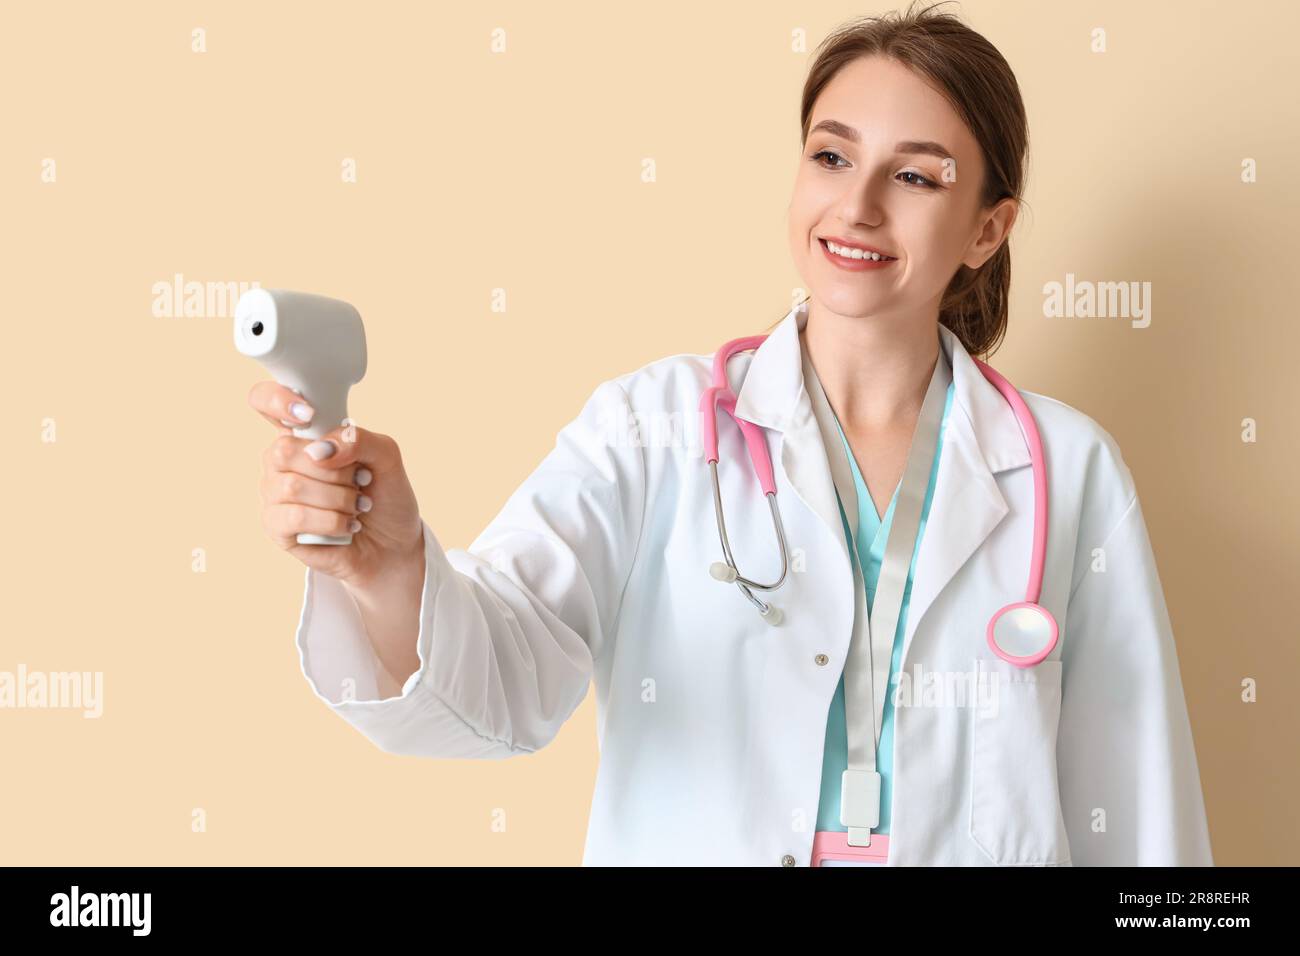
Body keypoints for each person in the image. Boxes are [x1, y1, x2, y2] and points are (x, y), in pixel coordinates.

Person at [246, 2, 1213, 866]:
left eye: (915, 177)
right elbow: (494, 692)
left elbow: (1136, 811)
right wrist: (389, 570)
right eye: (831, 156)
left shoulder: (1066, 470)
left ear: (986, 232)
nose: (858, 206)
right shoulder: (650, 431)